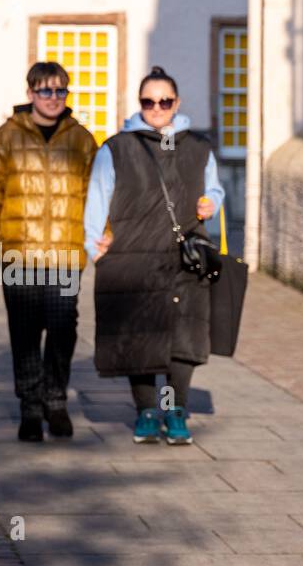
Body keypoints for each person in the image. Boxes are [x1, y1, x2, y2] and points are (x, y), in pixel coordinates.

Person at [83, 66, 224, 445]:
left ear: (176, 103)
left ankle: (175, 410)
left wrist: (212, 203)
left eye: (164, 101)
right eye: (149, 101)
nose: (157, 107)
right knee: (138, 334)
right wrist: (94, 247)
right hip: (134, 253)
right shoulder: (116, 147)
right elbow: (97, 196)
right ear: (140, 104)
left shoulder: (197, 146)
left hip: (186, 254)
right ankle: (146, 410)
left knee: (184, 334)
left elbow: (214, 189)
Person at [0, 62, 97, 441]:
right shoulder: (7, 136)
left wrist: (104, 235)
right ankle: (29, 406)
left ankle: (55, 401)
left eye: (60, 91)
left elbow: (99, 194)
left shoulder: (82, 139)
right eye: (45, 91)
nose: (53, 98)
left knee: (62, 327)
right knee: (24, 331)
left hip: (64, 253)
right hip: (19, 254)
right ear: (30, 94)